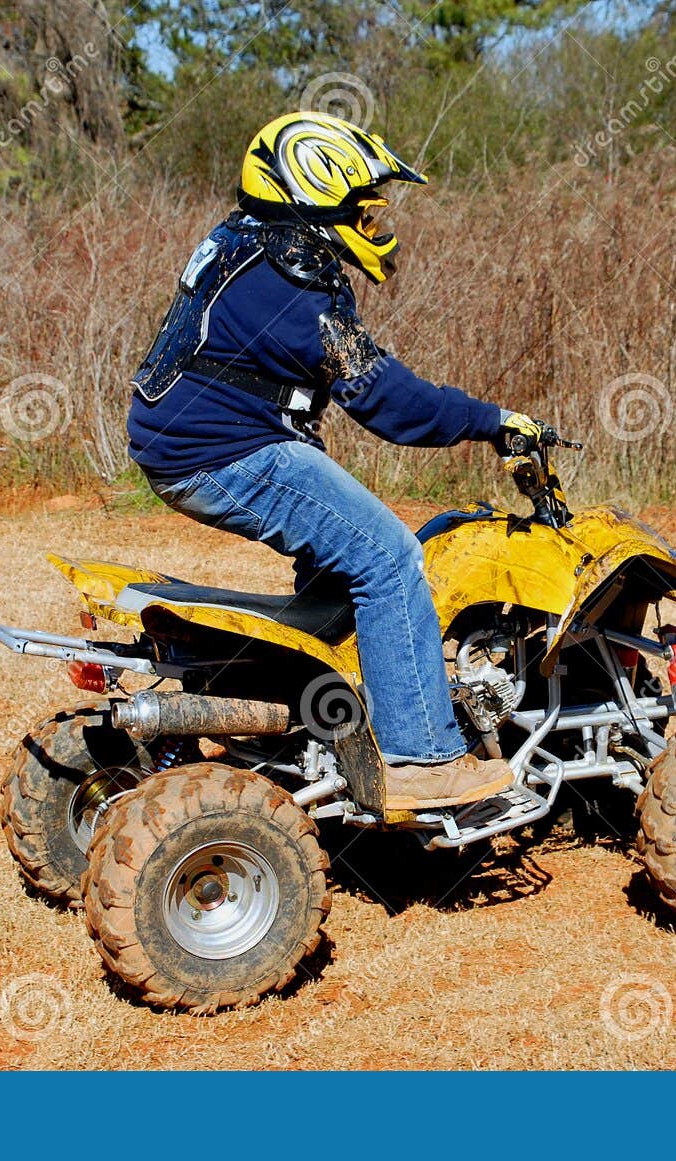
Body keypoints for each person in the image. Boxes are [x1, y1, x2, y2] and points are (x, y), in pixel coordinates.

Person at [126, 111, 545, 810]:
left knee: (338, 564)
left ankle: (325, 709)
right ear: (315, 198)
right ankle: (421, 757)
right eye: (364, 209)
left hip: (195, 439)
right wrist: (491, 420)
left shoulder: (249, 242)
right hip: (222, 451)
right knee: (388, 558)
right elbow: (387, 401)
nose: (375, 224)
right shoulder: (294, 282)